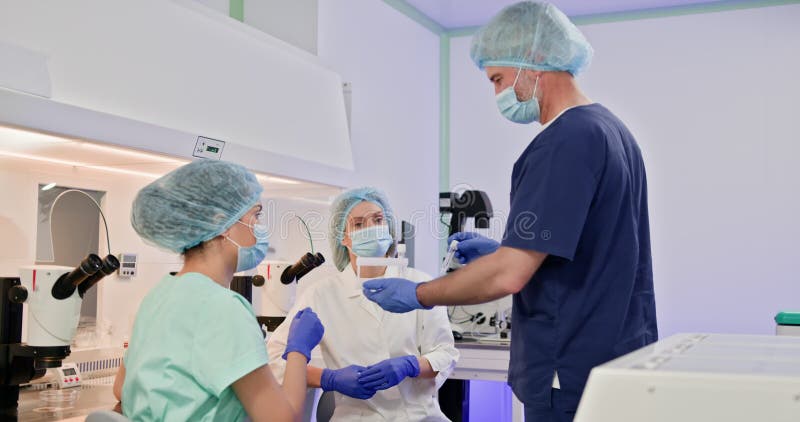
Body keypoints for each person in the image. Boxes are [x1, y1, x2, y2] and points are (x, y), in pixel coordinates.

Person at [362, 2, 658, 421]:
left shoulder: (563, 142)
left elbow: (509, 274)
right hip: (614, 361)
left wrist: (419, 294)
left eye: (498, 78)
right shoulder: (611, 131)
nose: (499, 93)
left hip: (568, 370)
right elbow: (591, 245)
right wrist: (503, 248)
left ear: (534, 61)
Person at [112, 159, 325, 422]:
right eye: (256, 215)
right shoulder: (223, 307)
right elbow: (280, 419)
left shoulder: (157, 296)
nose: (260, 229)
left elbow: (121, 388)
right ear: (222, 222)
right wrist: (298, 349)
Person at [267, 187, 458, 421]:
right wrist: (329, 378)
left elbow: (446, 353)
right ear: (343, 237)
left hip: (421, 416)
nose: (371, 229)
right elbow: (274, 361)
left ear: (389, 227)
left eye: (378, 220)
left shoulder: (419, 284)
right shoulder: (321, 295)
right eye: (358, 224)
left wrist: (412, 365)